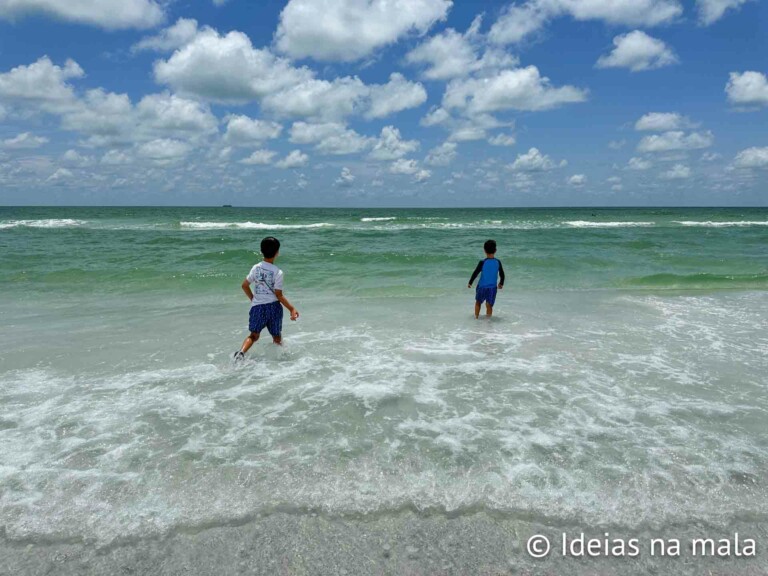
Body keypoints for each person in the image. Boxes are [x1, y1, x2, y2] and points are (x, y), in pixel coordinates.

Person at [233, 236, 299, 361]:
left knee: (253, 335)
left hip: (257, 307)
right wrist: (292, 309)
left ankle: (241, 353)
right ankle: (281, 360)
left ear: (261, 251)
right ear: (277, 253)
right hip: (273, 308)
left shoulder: (256, 268)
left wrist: (253, 299)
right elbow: (279, 295)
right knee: (276, 337)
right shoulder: (277, 272)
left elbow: (244, 285)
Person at [467, 239, 505, 319]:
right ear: (495, 250)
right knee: (489, 305)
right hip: (492, 288)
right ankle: (488, 322)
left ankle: (476, 318)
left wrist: (470, 282)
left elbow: (476, 272)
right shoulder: (498, 262)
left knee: (478, 302)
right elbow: (502, 274)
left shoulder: (482, 262)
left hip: (482, 287)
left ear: (484, 250)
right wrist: (501, 283)